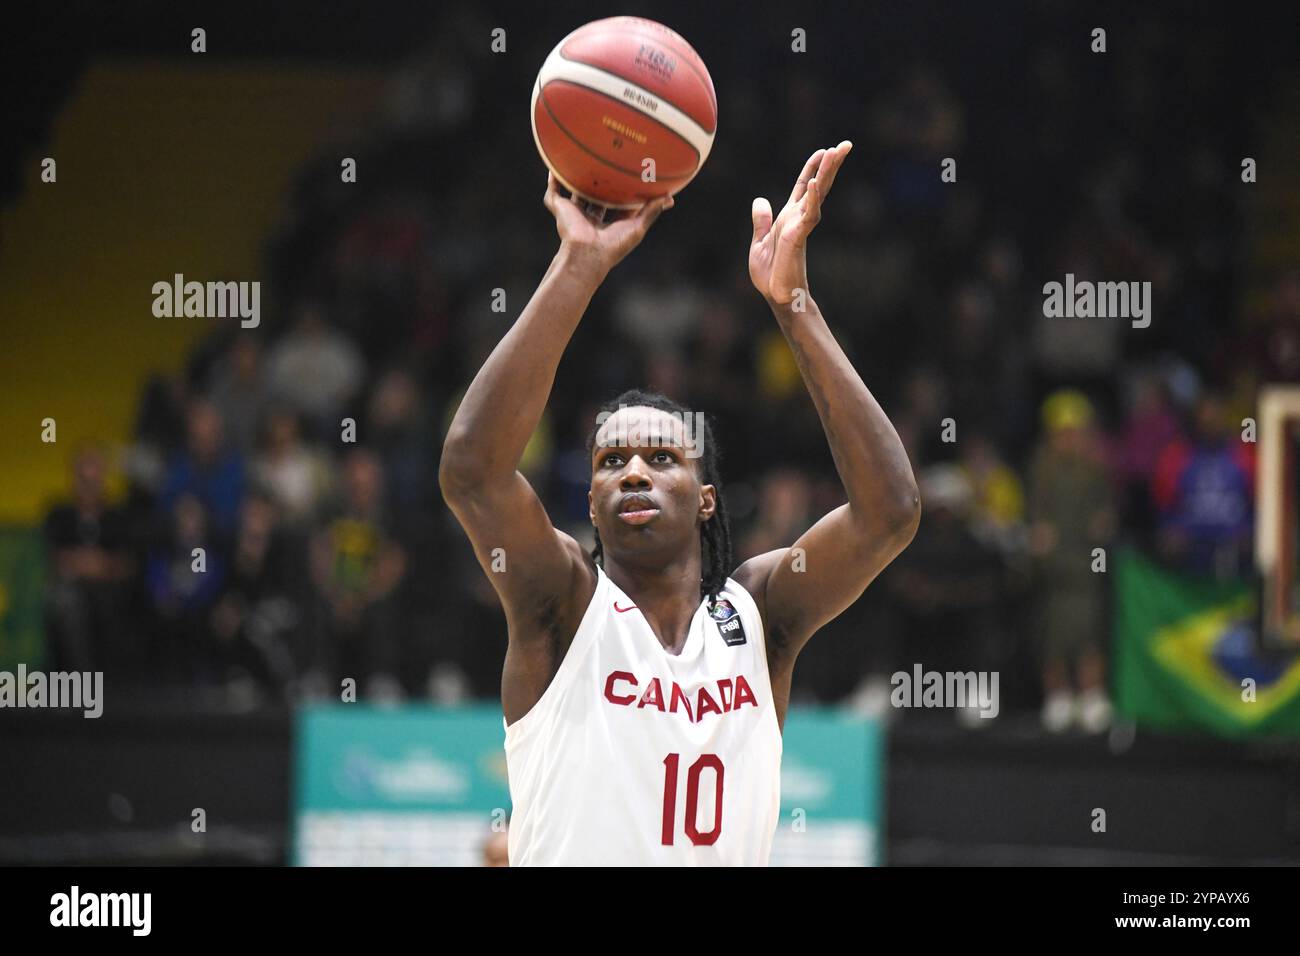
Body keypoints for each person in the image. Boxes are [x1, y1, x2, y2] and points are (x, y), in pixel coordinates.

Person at [440, 143, 920, 866]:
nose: (633, 472)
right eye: (611, 462)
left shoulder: (758, 613)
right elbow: (473, 472)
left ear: (704, 501)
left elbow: (890, 513)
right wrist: (579, 265)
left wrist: (794, 305)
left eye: (661, 457)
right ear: (593, 503)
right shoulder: (562, 604)